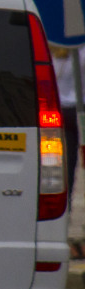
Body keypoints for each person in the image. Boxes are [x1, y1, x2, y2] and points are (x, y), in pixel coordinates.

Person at [52, 45, 85, 259]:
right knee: (64, 175)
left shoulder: (54, 49)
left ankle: (70, 235)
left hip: (68, 113)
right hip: (68, 114)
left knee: (66, 175)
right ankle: (72, 236)